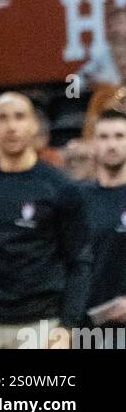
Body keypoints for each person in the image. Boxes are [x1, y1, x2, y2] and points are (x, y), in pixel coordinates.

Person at [0, 93, 91, 349]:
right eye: (2, 118)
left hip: (41, 322)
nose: (11, 127)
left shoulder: (61, 187)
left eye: (20, 117)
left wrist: (68, 326)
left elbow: (80, 261)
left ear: (34, 125)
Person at [82, 110, 126, 339]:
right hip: (85, 325)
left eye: (119, 136)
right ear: (93, 144)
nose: (112, 144)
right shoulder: (77, 197)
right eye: (104, 137)